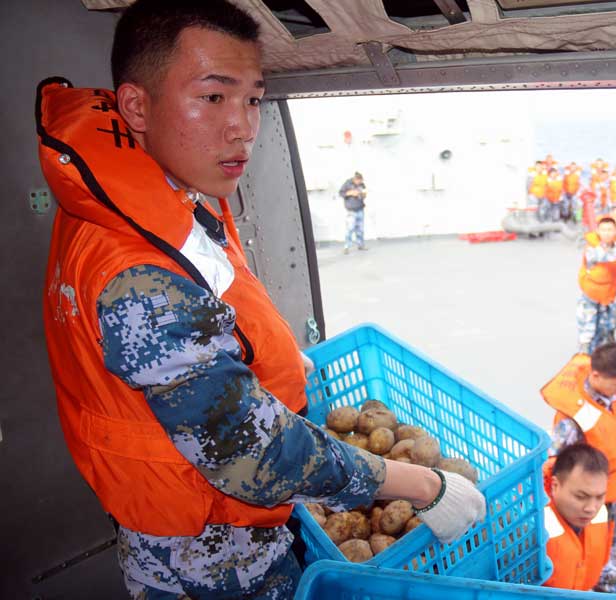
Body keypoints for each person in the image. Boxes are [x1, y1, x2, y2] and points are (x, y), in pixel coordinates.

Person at [37, 1, 485, 597]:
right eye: (214, 96)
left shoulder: (151, 192)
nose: (242, 126)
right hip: (207, 556)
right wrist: (422, 485)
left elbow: (216, 298)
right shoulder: (140, 275)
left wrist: (270, 356)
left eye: (253, 98)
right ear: (136, 106)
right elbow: (250, 455)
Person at [542, 343, 616, 593]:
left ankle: (611, 586)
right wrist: (583, 499)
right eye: (614, 384)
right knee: (577, 558)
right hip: (587, 497)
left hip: (609, 492)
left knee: (606, 553)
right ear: (595, 376)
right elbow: (555, 463)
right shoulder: (573, 418)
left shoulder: (615, 395)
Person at [543, 444, 613, 591]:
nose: (591, 508)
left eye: (600, 497)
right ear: (555, 486)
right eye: (581, 497)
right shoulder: (530, 525)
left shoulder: (602, 512)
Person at [576, 217, 616, 353]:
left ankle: (603, 354)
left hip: (610, 294)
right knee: (588, 328)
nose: (607, 233)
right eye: (604, 230)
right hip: (591, 294)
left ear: (615, 231)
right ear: (598, 231)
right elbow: (605, 258)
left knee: (607, 327)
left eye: (610, 229)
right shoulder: (591, 247)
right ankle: (585, 354)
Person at [340, 171, 367, 253]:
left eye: (361, 181)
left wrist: (362, 194)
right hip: (351, 211)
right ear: (355, 179)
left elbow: (364, 194)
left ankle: (360, 245)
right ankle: (346, 247)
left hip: (360, 209)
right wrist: (351, 193)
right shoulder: (347, 184)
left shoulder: (361, 184)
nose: (360, 182)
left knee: (360, 229)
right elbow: (341, 193)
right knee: (350, 229)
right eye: (359, 181)